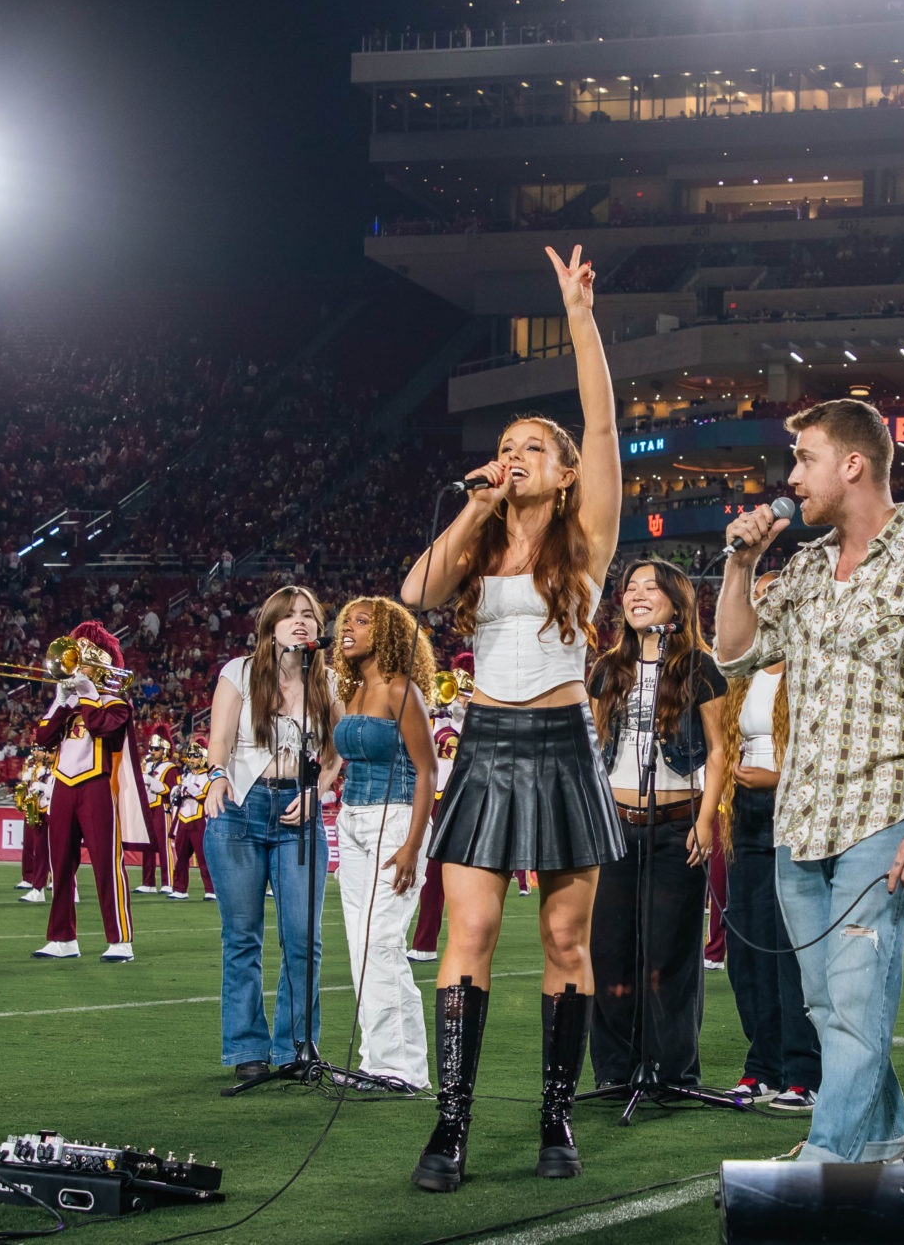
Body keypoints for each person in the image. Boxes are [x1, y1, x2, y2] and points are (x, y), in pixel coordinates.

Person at [399, 244, 626, 1191]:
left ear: (567, 473)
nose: (514, 456)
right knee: (470, 936)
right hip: (487, 743)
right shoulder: (482, 536)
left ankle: (555, 1118)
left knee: (566, 943)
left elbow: (606, 424)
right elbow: (414, 590)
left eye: (533, 447)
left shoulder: (591, 536)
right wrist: (476, 507)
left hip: (565, 742)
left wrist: (578, 316)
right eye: (506, 447)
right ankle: (450, 1128)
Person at [716, 397, 904, 1164]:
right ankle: (889, 1136)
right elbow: (733, 653)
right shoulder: (801, 566)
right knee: (827, 1002)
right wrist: (740, 564)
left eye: (804, 458)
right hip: (801, 818)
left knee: (859, 1001)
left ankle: (827, 1155)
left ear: (852, 464)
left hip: (882, 816)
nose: (792, 477)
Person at [586, 557, 729, 1093]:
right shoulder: (607, 668)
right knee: (610, 952)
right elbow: (594, 751)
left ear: (677, 601)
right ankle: (614, 1072)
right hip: (614, 826)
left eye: (651, 587)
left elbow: (718, 751)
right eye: (630, 587)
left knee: (671, 954)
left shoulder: (700, 667)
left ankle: (674, 1073)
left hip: (676, 825)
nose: (637, 594)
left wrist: (706, 819)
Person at [202, 587, 338, 1077]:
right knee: (242, 936)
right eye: (290, 615)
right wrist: (216, 776)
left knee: (304, 938)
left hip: (297, 814)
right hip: (240, 808)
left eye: (309, 616)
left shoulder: (327, 682)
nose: (300, 622)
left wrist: (319, 787)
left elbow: (340, 745)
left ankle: (296, 1049)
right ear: (270, 626)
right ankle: (246, 1051)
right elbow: (218, 742)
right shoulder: (238, 672)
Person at [713, 569, 823, 1113]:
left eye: (772, 596)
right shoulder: (740, 672)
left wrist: (776, 778)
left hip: (794, 812)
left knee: (792, 951)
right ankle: (762, 1066)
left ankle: (804, 1072)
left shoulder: (813, 671)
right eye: (757, 597)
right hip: (747, 818)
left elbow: (828, 756)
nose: (764, 604)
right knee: (747, 948)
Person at [331, 597, 439, 1092]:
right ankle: (377, 1061)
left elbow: (428, 771)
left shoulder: (400, 689)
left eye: (361, 621)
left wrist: (413, 846)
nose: (347, 628)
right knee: (360, 946)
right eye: (345, 622)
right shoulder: (351, 690)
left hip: (395, 822)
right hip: (351, 823)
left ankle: (403, 1070)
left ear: (389, 633)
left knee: (382, 942)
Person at [32, 622, 150, 962]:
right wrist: (59, 701)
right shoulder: (70, 705)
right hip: (63, 787)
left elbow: (102, 728)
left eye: (84, 657)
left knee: (106, 864)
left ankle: (120, 940)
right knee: (60, 865)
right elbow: (42, 738)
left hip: (97, 786)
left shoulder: (116, 703)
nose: (77, 663)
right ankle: (62, 938)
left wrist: (86, 691)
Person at [409, 652, 471, 965]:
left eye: (464, 690)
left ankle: (434, 944)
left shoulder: (479, 722)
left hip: (463, 800)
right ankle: (422, 943)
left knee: (455, 876)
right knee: (425, 873)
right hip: (432, 798)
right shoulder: (438, 716)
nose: (458, 697)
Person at [171, 740, 215, 901]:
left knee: (204, 857)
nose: (191, 759)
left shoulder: (209, 776)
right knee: (181, 856)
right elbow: (176, 798)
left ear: (203, 757)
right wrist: (176, 792)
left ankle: (211, 890)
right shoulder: (185, 775)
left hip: (200, 819)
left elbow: (205, 796)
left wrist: (188, 788)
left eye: (195, 756)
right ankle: (179, 888)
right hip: (184, 818)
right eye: (190, 756)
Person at [138, 727, 179, 895]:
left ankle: (168, 881)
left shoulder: (170, 768)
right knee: (146, 845)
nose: (152, 751)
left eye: (156, 749)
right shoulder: (146, 765)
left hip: (162, 808)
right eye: (151, 749)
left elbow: (172, 790)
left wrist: (151, 781)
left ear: (165, 750)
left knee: (164, 846)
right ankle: (148, 882)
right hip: (147, 808)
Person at [15, 755, 53, 903]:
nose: (36, 753)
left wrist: (44, 787)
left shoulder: (58, 767)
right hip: (40, 811)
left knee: (58, 853)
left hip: (54, 812)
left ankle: (62, 886)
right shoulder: (38, 769)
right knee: (40, 852)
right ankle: (38, 888)